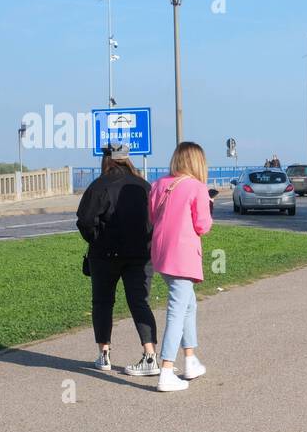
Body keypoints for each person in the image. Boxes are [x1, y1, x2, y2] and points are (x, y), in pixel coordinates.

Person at [76, 145, 159, 375]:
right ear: (127, 159)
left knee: (102, 302)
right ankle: (150, 355)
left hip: (104, 254)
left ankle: (104, 354)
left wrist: (96, 238)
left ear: (107, 160)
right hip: (140, 254)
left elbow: (84, 220)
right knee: (139, 302)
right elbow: (154, 219)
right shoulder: (143, 186)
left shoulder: (99, 185)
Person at [149, 142, 213, 393]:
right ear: (198, 162)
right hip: (183, 256)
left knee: (188, 304)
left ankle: (190, 359)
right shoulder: (197, 188)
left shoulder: (159, 185)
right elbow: (202, 226)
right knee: (177, 310)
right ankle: (166, 369)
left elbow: (153, 217)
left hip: (162, 253)